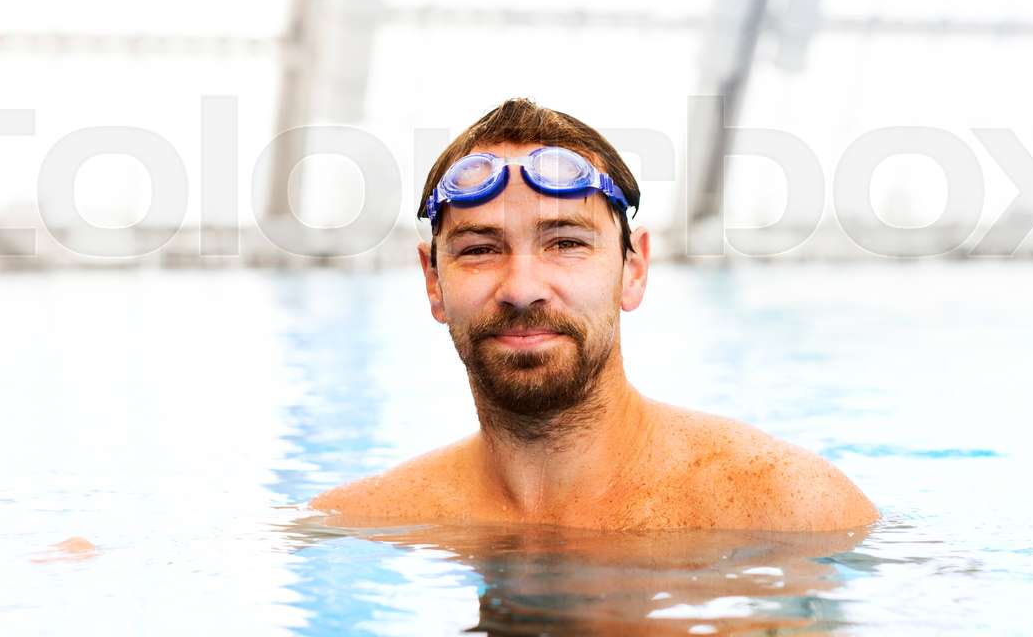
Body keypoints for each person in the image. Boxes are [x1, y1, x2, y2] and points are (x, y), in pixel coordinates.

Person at [309, 98, 877, 532]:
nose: (522, 289)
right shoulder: (363, 523)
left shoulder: (787, 508)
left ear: (634, 269)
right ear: (433, 281)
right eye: (480, 249)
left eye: (566, 243)